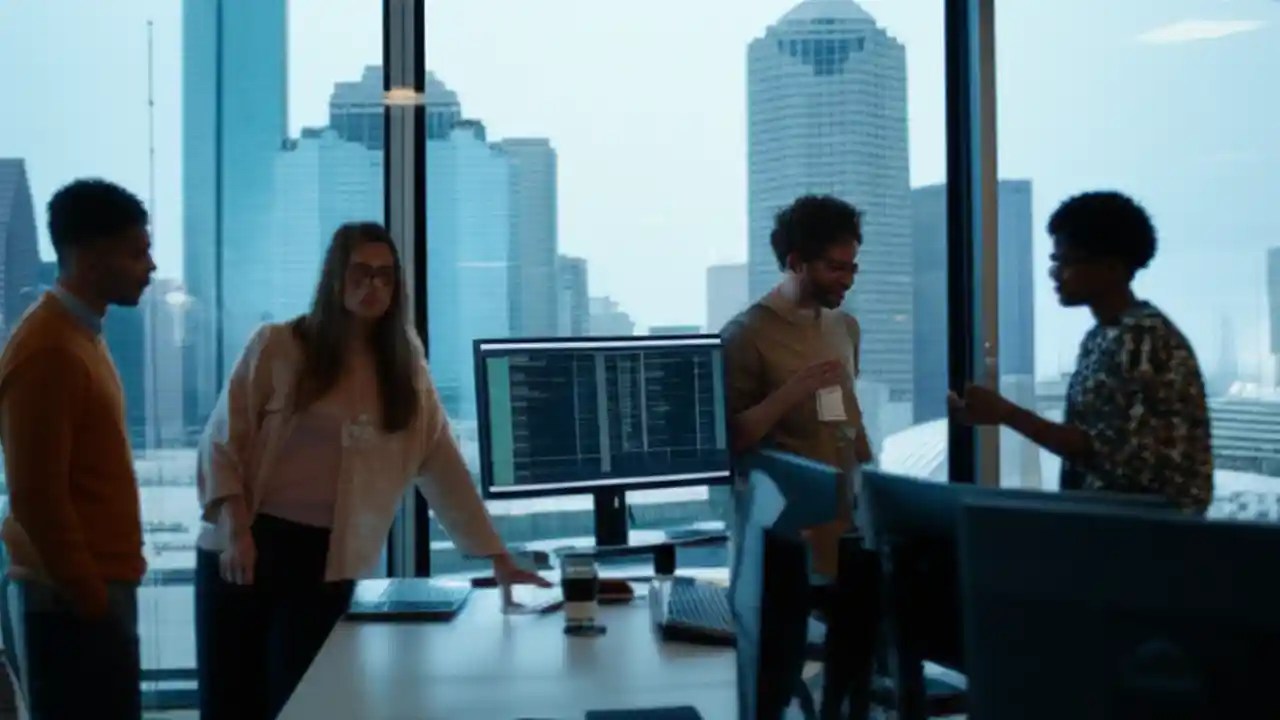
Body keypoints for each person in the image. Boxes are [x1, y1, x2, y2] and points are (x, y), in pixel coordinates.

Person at [194, 222, 550, 719]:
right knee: (234, 701)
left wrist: (497, 556)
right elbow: (222, 442)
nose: (373, 286)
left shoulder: (403, 364)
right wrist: (235, 529)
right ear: (335, 278)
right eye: (361, 273)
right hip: (249, 544)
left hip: (328, 555)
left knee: (308, 701)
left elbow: (440, 459)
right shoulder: (278, 344)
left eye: (385, 276)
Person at [950, 190, 1213, 512]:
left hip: (1151, 539)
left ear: (1113, 267)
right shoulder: (1105, 336)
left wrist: (1006, 413)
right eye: (1054, 261)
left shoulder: (1144, 339)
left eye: (1067, 261)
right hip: (1117, 528)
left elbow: (1108, 454)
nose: (1055, 273)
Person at [0, 179, 155, 719]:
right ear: (89, 259)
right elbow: (35, 494)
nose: (151, 266)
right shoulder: (49, 349)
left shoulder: (80, 336)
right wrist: (89, 596)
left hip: (86, 590)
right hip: (69, 598)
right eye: (137, 252)